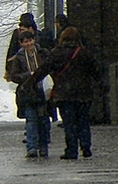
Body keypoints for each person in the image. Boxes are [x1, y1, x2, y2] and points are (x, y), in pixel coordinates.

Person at [29, 26, 101, 160]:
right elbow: (96, 71)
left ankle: (71, 150)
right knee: (83, 121)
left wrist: (30, 83)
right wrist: (102, 86)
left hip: (64, 94)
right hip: (83, 94)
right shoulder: (84, 53)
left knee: (69, 123)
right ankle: (85, 146)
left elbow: (43, 69)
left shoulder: (56, 53)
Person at [6, 29, 51, 158]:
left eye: (30, 41)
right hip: (28, 93)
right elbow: (14, 76)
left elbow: (50, 68)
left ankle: (43, 147)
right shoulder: (19, 58)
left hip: (42, 92)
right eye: (25, 42)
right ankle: (32, 147)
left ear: (34, 40)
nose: (29, 44)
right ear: (21, 44)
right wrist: (28, 75)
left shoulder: (42, 53)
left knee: (43, 121)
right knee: (31, 121)